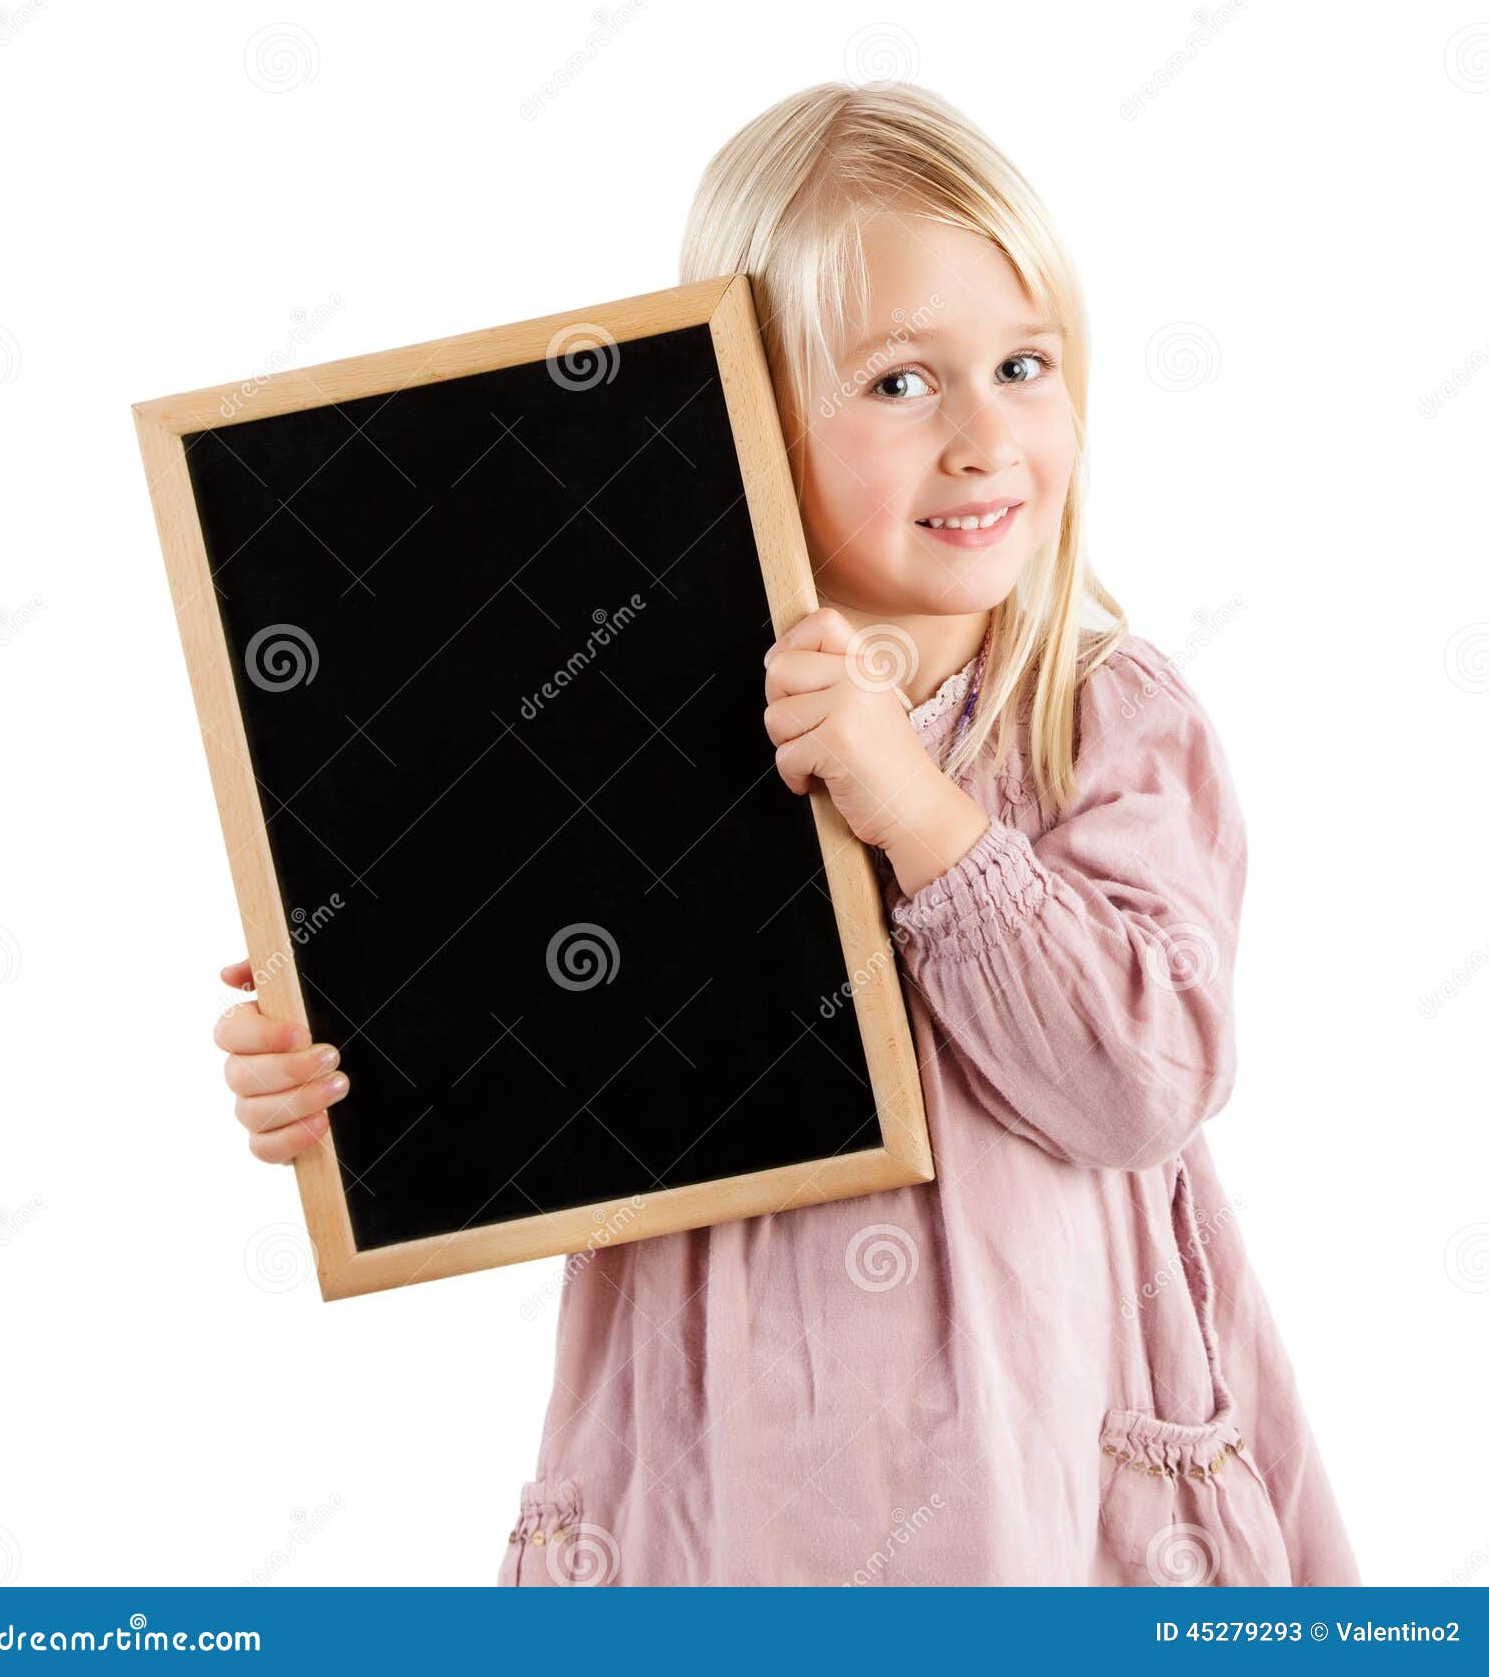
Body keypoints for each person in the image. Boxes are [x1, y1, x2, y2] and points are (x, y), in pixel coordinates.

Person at [214, 79, 1360, 1587]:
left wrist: (922, 815)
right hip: (728, 1493)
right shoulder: (622, 738)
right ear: (740, 407)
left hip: (1048, 1485)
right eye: (899, 382)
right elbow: (530, 1054)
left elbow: (1144, 1079)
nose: (981, 436)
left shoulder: (1099, 724)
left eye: (1024, 363)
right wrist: (349, 1069)